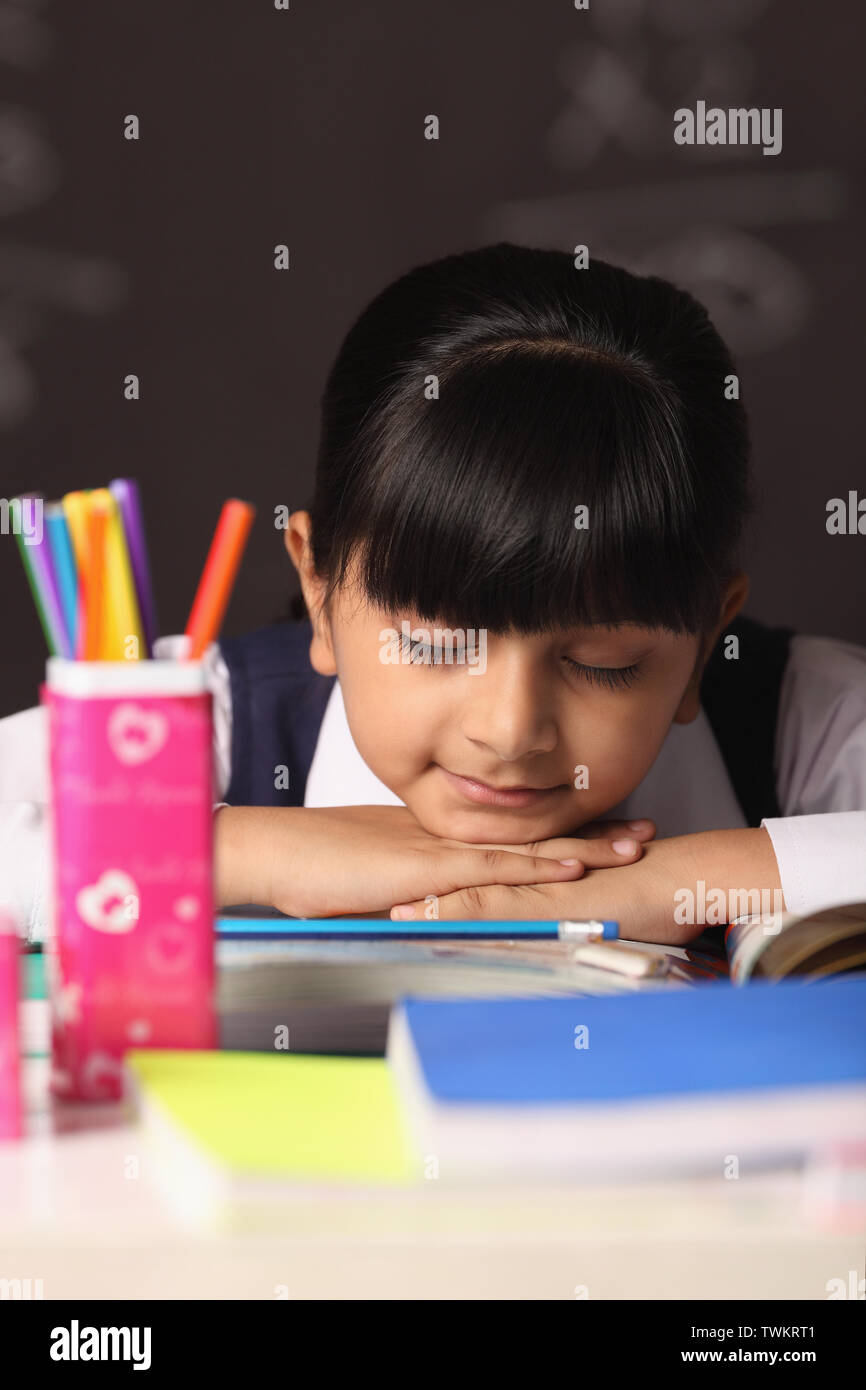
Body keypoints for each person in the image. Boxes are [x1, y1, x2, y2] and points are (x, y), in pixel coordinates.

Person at [3, 244, 864, 941]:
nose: (509, 729)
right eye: (433, 643)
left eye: (604, 664)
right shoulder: (205, 719)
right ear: (318, 586)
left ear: (706, 640)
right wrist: (241, 851)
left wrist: (683, 882)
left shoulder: (798, 718)